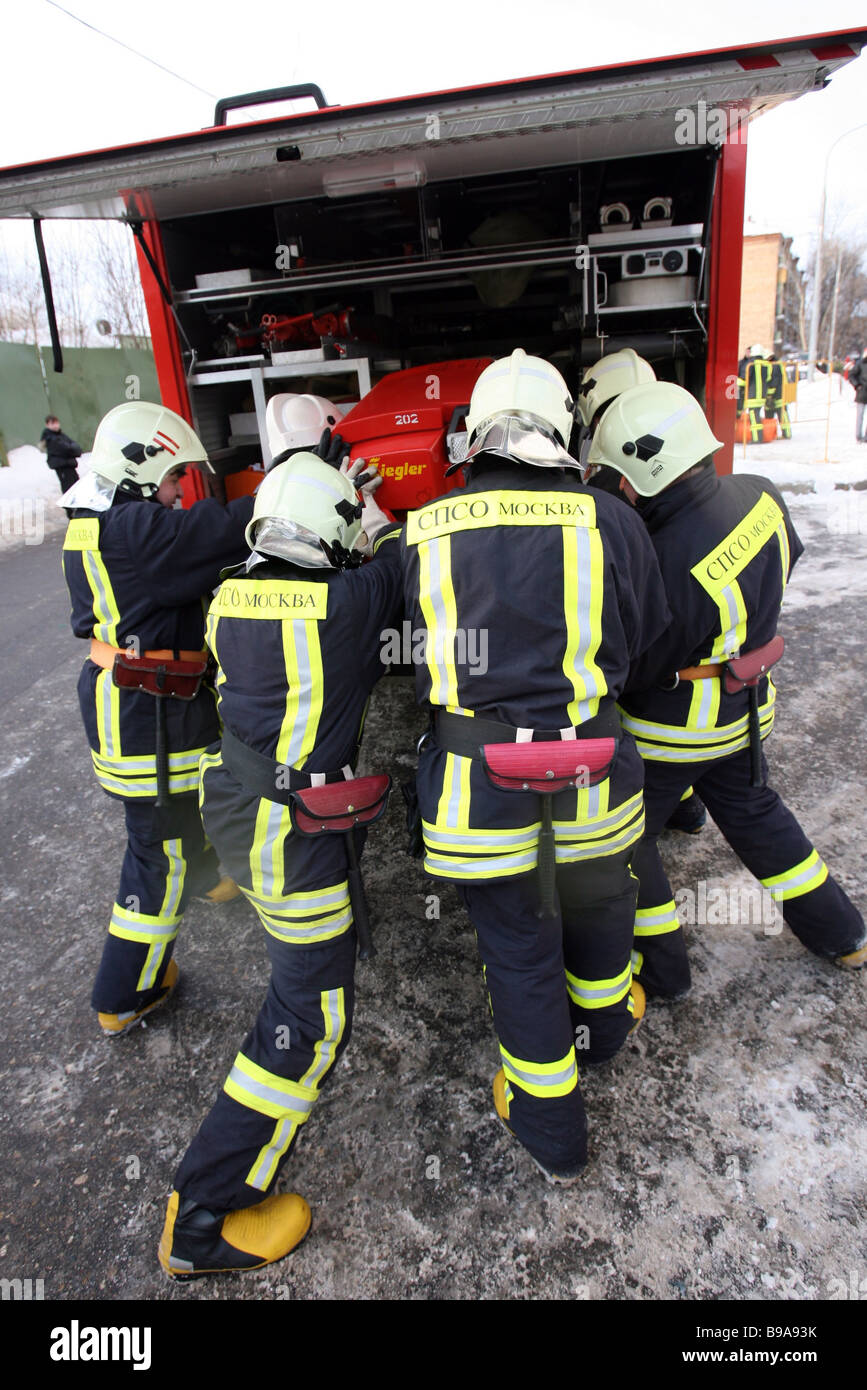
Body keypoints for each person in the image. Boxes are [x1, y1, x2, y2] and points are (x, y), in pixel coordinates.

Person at [399, 349, 672, 1184]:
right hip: (594, 781)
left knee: (518, 950)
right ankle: (602, 1040)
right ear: (561, 429)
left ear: (475, 436)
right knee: (598, 915)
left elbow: (414, 666)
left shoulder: (423, 527)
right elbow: (651, 653)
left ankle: (552, 1131)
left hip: (475, 790)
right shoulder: (612, 521)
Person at [158, 450, 403, 1280]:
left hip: (237, 811)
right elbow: (401, 558)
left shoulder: (228, 594)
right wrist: (374, 515)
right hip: (289, 838)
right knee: (311, 1013)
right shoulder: (350, 605)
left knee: (300, 979)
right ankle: (204, 1210)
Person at [586, 381, 867, 1000]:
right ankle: (842, 933)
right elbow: (785, 558)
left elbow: (635, 668)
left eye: (616, 477)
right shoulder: (761, 496)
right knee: (757, 814)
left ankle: (662, 970)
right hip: (746, 711)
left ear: (640, 471)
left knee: (623, 838)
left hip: (674, 732)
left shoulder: (659, 556)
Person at [61, 402, 254, 1036]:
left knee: (168, 824)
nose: (177, 492)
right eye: (173, 478)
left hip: (130, 704)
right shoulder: (136, 530)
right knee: (154, 854)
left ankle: (200, 874)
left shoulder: (94, 522)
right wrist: (292, 484)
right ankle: (126, 992)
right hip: (150, 718)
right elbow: (216, 532)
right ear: (140, 468)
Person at [575, 347, 706, 837]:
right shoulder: (670, 431)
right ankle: (686, 800)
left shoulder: (609, 460)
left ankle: (661, 800)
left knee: (626, 681)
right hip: (674, 589)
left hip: (641, 593)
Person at [737, 345, 773, 444]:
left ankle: (756, 438)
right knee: (756, 415)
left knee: (754, 417)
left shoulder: (750, 364)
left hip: (752, 395)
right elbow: (769, 379)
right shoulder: (767, 365)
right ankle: (759, 436)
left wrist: (735, 381)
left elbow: (744, 380)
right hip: (762, 396)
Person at [40, 415, 82, 494]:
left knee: (77, 488)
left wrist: (72, 449)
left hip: (70, 466)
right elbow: (65, 449)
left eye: (56, 423)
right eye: (52, 423)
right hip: (63, 467)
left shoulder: (61, 435)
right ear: (47, 425)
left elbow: (77, 448)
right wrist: (71, 449)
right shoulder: (50, 438)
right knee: (69, 490)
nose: (55, 425)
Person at [764, 355, 792, 439]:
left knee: (781, 415)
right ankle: (782, 433)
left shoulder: (774, 365)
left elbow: (774, 382)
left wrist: (769, 394)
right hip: (780, 393)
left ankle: (785, 433)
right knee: (779, 415)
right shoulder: (778, 364)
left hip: (778, 395)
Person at [848, 348, 867, 442]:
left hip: (862, 392)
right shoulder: (860, 364)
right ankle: (858, 436)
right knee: (860, 415)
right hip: (862, 392)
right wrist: (857, 385)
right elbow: (851, 375)